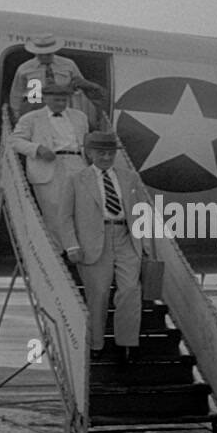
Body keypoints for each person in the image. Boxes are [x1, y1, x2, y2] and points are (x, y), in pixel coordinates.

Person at [59, 131, 149, 361]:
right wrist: (71, 245)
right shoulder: (76, 179)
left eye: (110, 153)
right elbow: (65, 216)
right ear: (89, 154)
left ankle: (126, 344)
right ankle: (96, 344)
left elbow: (141, 211)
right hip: (93, 243)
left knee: (130, 291)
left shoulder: (130, 177)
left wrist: (145, 243)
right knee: (97, 295)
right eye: (101, 153)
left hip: (125, 238)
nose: (106, 157)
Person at [10, 83, 91, 246]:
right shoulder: (31, 118)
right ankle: (60, 251)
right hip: (48, 166)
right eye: (56, 100)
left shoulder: (80, 117)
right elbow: (14, 141)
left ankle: (78, 248)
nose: (61, 104)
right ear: (46, 99)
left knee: (80, 208)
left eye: (64, 100)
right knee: (53, 211)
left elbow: (85, 140)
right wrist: (37, 148)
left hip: (77, 163)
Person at [8, 34, 106, 120]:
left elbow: (80, 84)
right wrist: (16, 115)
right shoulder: (24, 68)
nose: (44, 57)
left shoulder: (69, 64)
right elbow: (16, 93)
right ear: (35, 52)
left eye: (48, 54)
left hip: (62, 108)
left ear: (54, 51)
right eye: (40, 54)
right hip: (34, 107)